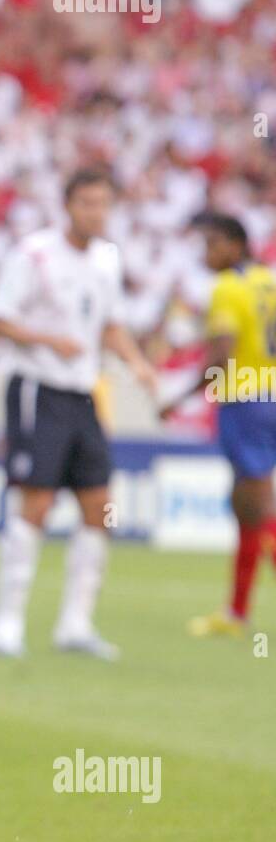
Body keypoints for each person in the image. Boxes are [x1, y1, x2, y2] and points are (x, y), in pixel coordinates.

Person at [0, 168, 158, 660]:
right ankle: (8, 621)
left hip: (85, 394)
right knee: (35, 504)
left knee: (99, 507)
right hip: (40, 390)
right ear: (68, 205)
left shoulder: (108, 257)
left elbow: (111, 325)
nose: (95, 213)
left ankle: (75, 624)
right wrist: (48, 341)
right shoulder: (34, 254)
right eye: (87, 203)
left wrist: (140, 366)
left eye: (103, 204)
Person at [163, 213, 276, 635]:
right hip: (270, 396)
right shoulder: (269, 280)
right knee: (248, 508)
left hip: (244, 401)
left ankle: (236, 612)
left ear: (234, 244)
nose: (206, 255)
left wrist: (179, 397)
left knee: (259, 507)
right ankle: (237, 611)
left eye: (212, 245)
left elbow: (221, 357)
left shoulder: (227, 288)